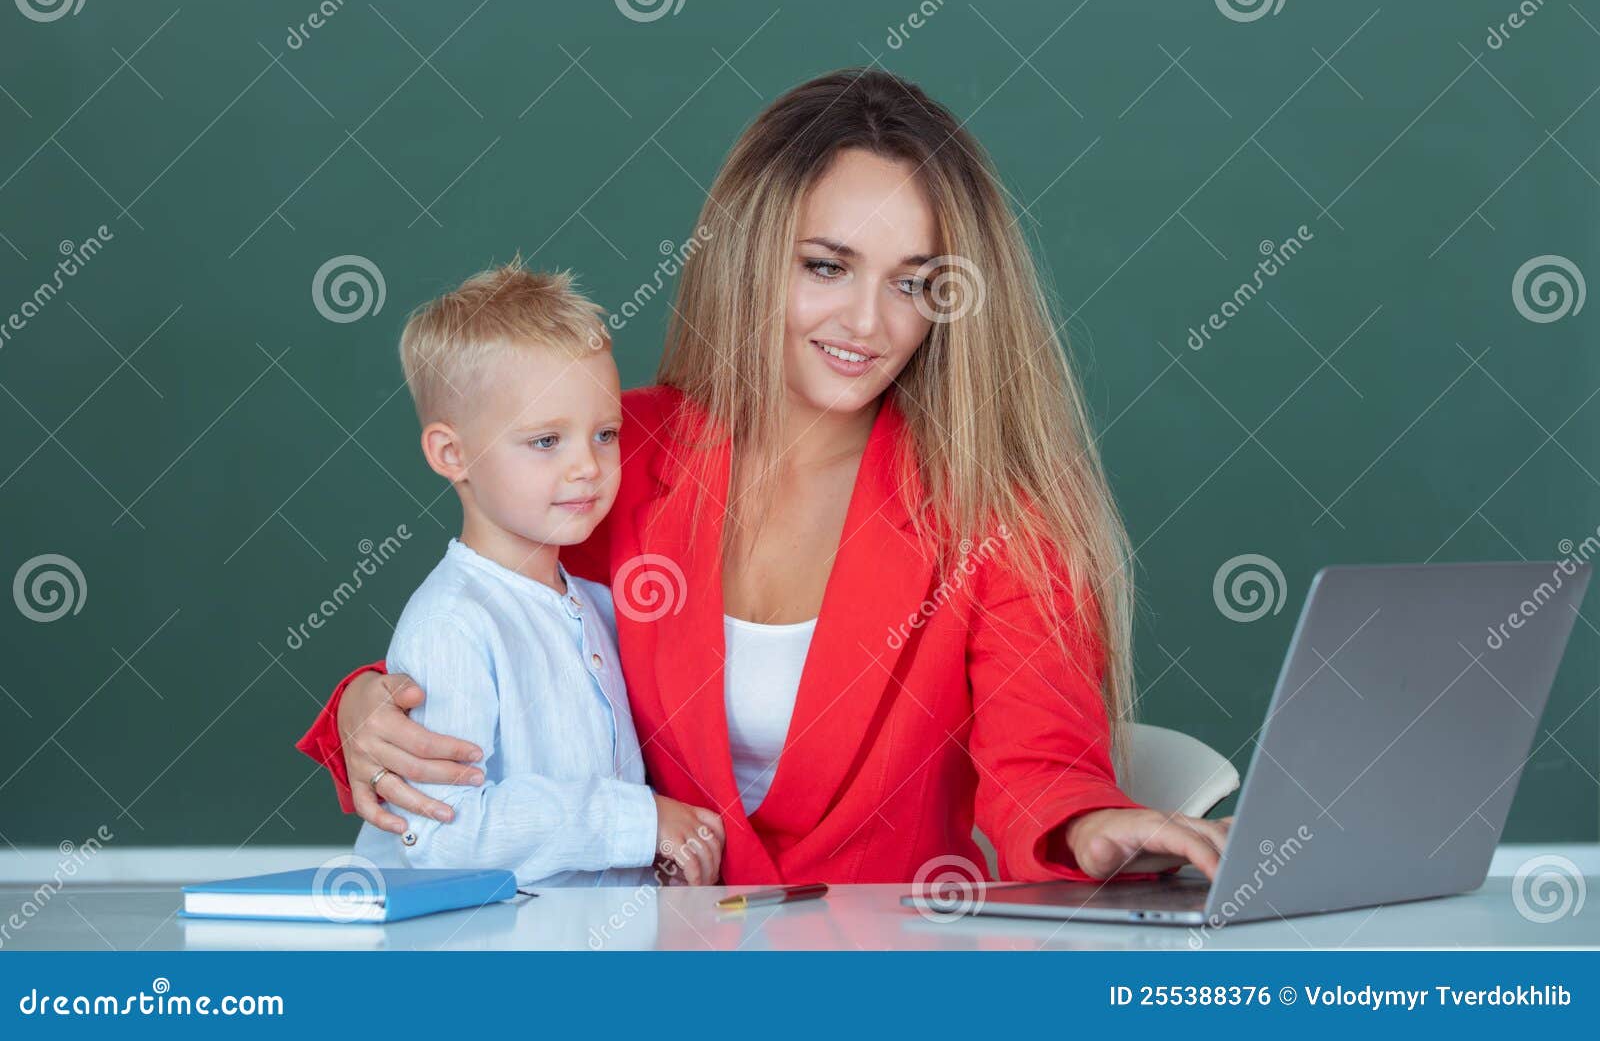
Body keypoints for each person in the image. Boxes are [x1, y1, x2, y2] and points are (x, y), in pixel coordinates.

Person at [298, 67, 1232, 885]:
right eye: (827, 266)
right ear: (750, 259)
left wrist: (1090, 823)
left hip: (882, 983)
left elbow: (1043, 760)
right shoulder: (612, 454)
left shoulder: (997, 513)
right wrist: (367, 708)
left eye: (912, 282)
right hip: (638, 972)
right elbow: (508, 623)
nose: (869, 322)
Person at [344, 260, 724, 887]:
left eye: (605, 434)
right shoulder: (452, 625)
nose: (588, 468)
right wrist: (638, 820)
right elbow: (443, 832)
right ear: (452, 454)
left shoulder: (595, 603)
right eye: (547, 441)